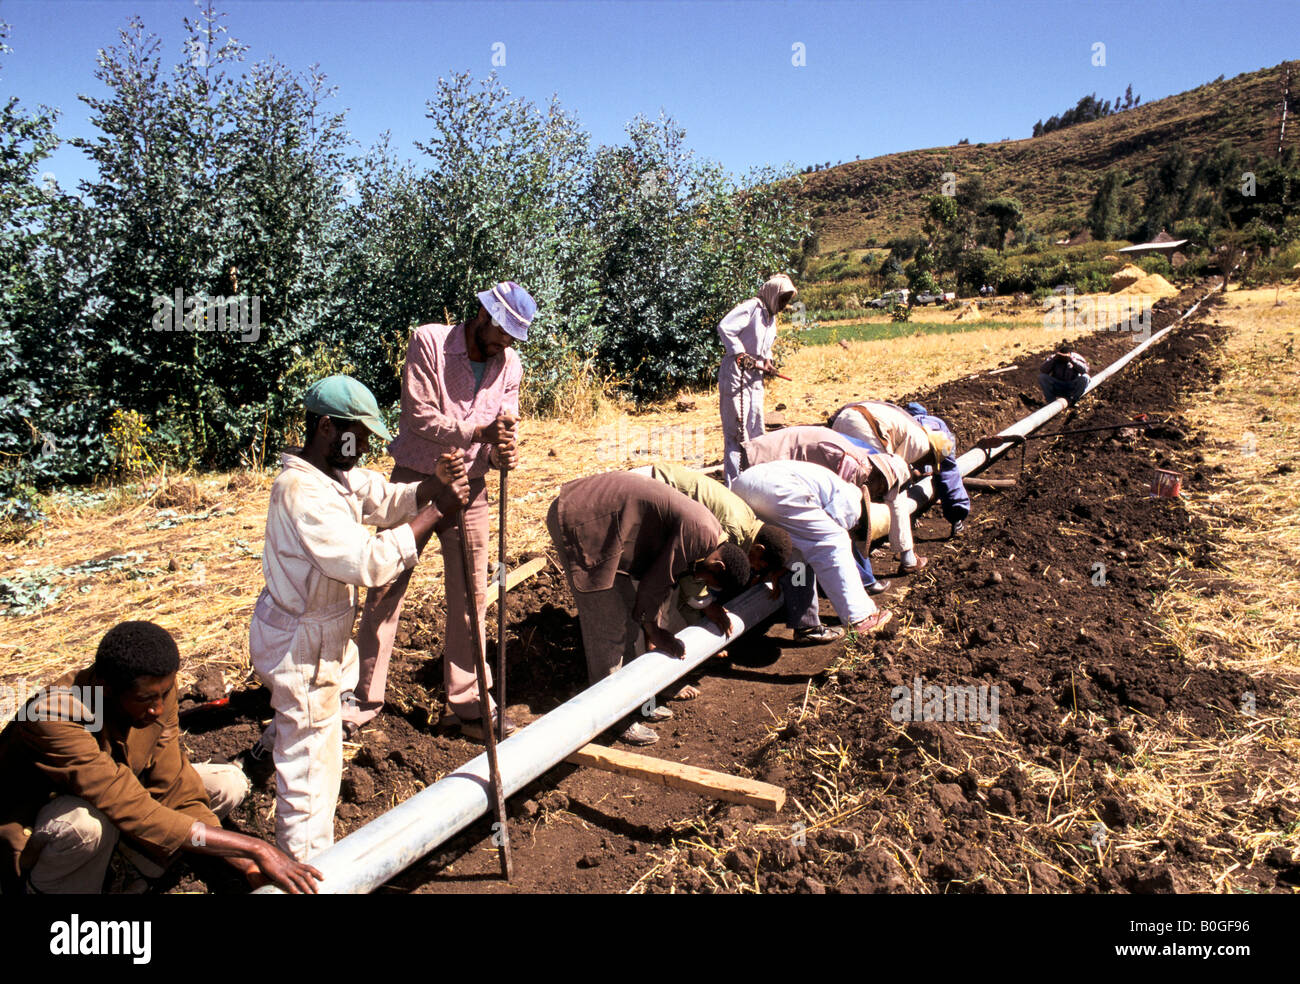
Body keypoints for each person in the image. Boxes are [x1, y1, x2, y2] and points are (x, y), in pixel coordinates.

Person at [249, 375, 468, 861]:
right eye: (359, 433)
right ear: (327, 427)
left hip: (321, 631)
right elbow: (369, 564)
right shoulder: (301, 492)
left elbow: (386, 499)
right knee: (312, 767)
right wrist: (437, 512)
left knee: (337, 678)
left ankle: (275, 737)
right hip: (300, 640)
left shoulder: (338, 474)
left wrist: (434, 484)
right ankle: (308, 870)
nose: (365, 444)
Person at [0, 621, 322, 894]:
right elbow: (128, 806)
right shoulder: (54, 716)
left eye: (164, 694)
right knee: (88, 825)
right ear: (107, 688)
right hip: (45, 827)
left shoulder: (156, 687)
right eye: (145, 700)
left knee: (227, 783)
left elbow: (174, 786)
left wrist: (243, 864)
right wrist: (254, 847)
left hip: (121, 802)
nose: (157, 709)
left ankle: (125, 871)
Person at [351, 282, 533, 736]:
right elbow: (418, 415)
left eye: (513, 337)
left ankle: (468, 703)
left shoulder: (509, 363)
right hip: (415, 480)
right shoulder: (430, 341)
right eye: (502, 331)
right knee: (385, 586)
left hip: (471, 487)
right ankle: (360, 697)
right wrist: (479, 435)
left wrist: (502, 453)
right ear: (484, 315)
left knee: (471, 596)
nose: (505, 343)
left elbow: (502, 429)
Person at [546, 472, 751, 746]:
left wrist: (650, 625)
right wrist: (655, 630)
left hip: (608, 530)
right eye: (707, 579)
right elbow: (655, 584)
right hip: (583, 522)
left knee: (630, 618)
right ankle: (615, 717)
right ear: (718, 566)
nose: (700, 580)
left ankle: (638, 701)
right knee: (607, 628)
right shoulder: (700, 534)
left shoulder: (708, 536)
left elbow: (655, 585)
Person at [731, 460, 894, 643]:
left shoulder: (828, 487)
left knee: (799, 562)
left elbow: (802, 551)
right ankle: (861, 617)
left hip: (745, 485)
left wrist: (782, 568)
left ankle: (804, 624)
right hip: (776, 490)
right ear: (862, 525)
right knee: (833, 541)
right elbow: (828, 544)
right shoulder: (852, 504)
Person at [637, 463, 794, 642]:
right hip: (647, 489)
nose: (753, 567)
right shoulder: (733, 532)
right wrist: (707, 605)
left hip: (656, 485)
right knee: (663, 587)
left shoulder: (747, 522)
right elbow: (693, 569)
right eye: (758, 563)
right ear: (759, 549)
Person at [738, 425, 902, 595]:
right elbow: (833, 528)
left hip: (770, 479)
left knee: (797, 555)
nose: (879, 495)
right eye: (882, 490)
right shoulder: (850, 467)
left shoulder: (859, 466)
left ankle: (790, 596)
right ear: (880, 480)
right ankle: (788, 599)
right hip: (764, 468)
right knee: (801, 550)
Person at [830, 400, 958, 573]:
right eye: (929, 463)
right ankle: (908, 559)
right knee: (895, 491)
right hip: (863, 425)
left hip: (845, 420)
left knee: (853, 485)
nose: (923, 467)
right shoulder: (921, 442)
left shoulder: (913, 431)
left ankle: (858, 548)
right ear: (932, 454)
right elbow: (895, 476)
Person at [718, 274, 798, 486]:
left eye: (786, 301)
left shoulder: (771, 318)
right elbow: (725, 327)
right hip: (737, 373)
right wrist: (740, 354)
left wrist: (768, 362)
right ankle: (735, 484)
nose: (784, 305)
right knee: (737, 431)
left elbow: (766, 346)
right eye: (782, 299)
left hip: (755, 376)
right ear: (773, 293)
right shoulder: (752, 307)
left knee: (756, 428)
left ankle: (755, 481)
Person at [902, 402, 971, 537]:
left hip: (918, 441)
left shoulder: (907, 422)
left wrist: (914, 472)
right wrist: (938, 468)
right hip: (942, 440)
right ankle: (957, 518)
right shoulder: (937, 420)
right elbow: (946, 446)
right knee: (949, 471)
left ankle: (909, 515)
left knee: (903, 471)